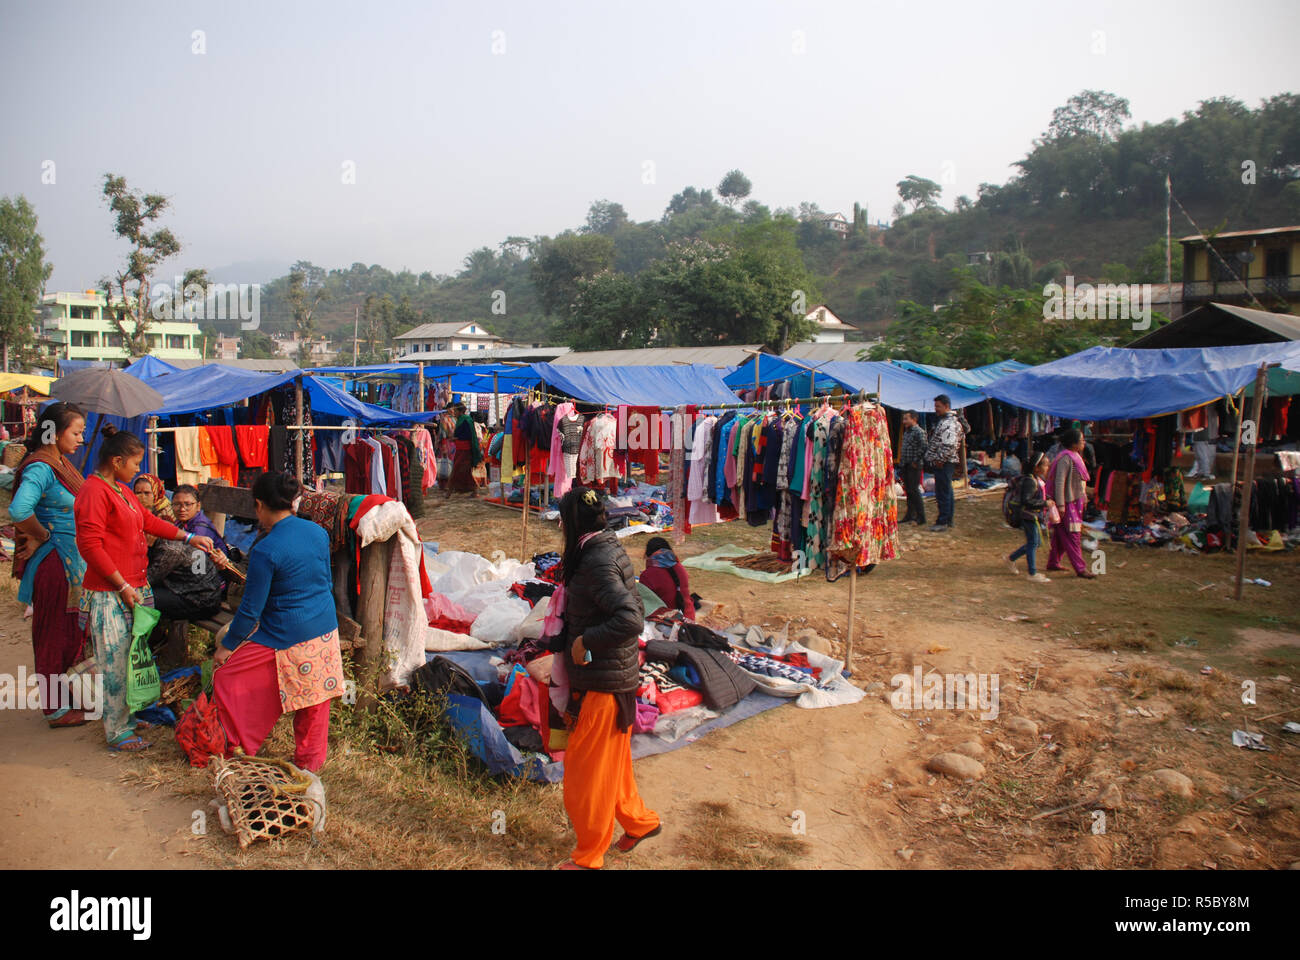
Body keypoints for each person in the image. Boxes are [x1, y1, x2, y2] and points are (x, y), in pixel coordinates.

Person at [74, 427, 215, 751]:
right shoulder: (94, 492)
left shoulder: (121, 490)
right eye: (135, 462)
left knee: (130, 658)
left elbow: (148, 523)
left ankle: (127, 715)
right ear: (117, 460)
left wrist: (188, 537)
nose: (139, 469)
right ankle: (117, 730)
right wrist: (121, 584)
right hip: (111, 592)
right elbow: (90, 546)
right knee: (114, 661)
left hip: (131, 588)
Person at [555, 487, 660, 870]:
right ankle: (640, 822)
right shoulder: (601, 546)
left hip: (604, 683)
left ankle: (588, 857)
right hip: (613, 678)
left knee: (587, 775)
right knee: (611, 767)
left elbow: (631, 619)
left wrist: (585, 641)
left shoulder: (596, 560)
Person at [212, 471, 342, 772]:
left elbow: (249, 611)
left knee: (228, 678)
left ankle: (235, 745)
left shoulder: (265, 550)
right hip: (324, 631)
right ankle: (309, 765)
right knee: (315, 698)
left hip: (283, 635)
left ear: (259, 505)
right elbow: (325, 581)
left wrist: (226, 648)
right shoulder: (317, 533)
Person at [9, 403, 91, 727]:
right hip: (56, 564)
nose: (82, 438)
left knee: (69, 631)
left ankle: (66, 699)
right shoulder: (41, 468)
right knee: (54, 634)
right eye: (77, 432)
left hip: (70, 564)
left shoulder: (60, 464)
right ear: (54, 434)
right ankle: (55, 709)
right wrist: (43, 535)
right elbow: (18, 511)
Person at [1045, 428, 1096, 579]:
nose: (1084, 443)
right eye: (1081, 441)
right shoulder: (1065, 459)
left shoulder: (1075, 457)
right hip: (1067, 503)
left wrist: (1084, 496)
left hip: (1074, 501)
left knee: (1061, 535)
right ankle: (1080, 568)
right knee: (1073, 535)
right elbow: (1059, 482)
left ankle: (1053, 562)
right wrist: (1061, 505)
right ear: (1074, 444)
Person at [1005, 451, 1051, 583]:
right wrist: (1044, 503)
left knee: (1035, 543)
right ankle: (1032, 573)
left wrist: (1046, 500)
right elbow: (1027, 501)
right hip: (1028, 516)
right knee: (1033, 543)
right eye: (1046, 465)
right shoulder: (1030, 481)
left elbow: (1036, 495)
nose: (1047, 468)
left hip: (1033, 516)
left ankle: (1011, 559)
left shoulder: (1036, 480)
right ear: (1037, 467)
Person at [924, 395, 963, 531]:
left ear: (946, 406)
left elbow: (949, 445)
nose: (936, 409)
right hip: (944, 462)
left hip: (944, 463)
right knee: (946, 491)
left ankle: (943, 522)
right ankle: (947, 519)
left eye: (938, 406)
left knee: (943, 493)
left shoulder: (949, 424)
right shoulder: (946, 421)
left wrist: (940, 459)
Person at [639, 536, 695, 619]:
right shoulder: (679, 567)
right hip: (689, 617)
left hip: (667, 622)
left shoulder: (647, 575)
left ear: (648, 554)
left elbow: (645, 606)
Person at [171, 484, 229, 555]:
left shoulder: (200, 529)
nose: (182, 509)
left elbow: (194, 557)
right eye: (177, 504)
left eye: (188, 504)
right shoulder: (180, 522)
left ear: (198, 506)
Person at [444, 402, 482, 497]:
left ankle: (449, 491)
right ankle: (474, 490)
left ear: (460, 411)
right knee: (463, 471)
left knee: (457, 469)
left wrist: (456, 438)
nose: (454, 412)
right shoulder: (460, 419)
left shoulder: (467, 420)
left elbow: (468, 435)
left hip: (465, 449)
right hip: (460, 448)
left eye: (455, 410)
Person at [897, 410, 927, 525]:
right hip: (906, 465)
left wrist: (916, 460)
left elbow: (924, 446)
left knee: (914, 491)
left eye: (906, 419)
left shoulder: (919, 432)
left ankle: (921, 517)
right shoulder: (907, 432)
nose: (904, 421)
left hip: (914, 465)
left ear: (914, 419)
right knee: (909, 491)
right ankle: (910, 515)